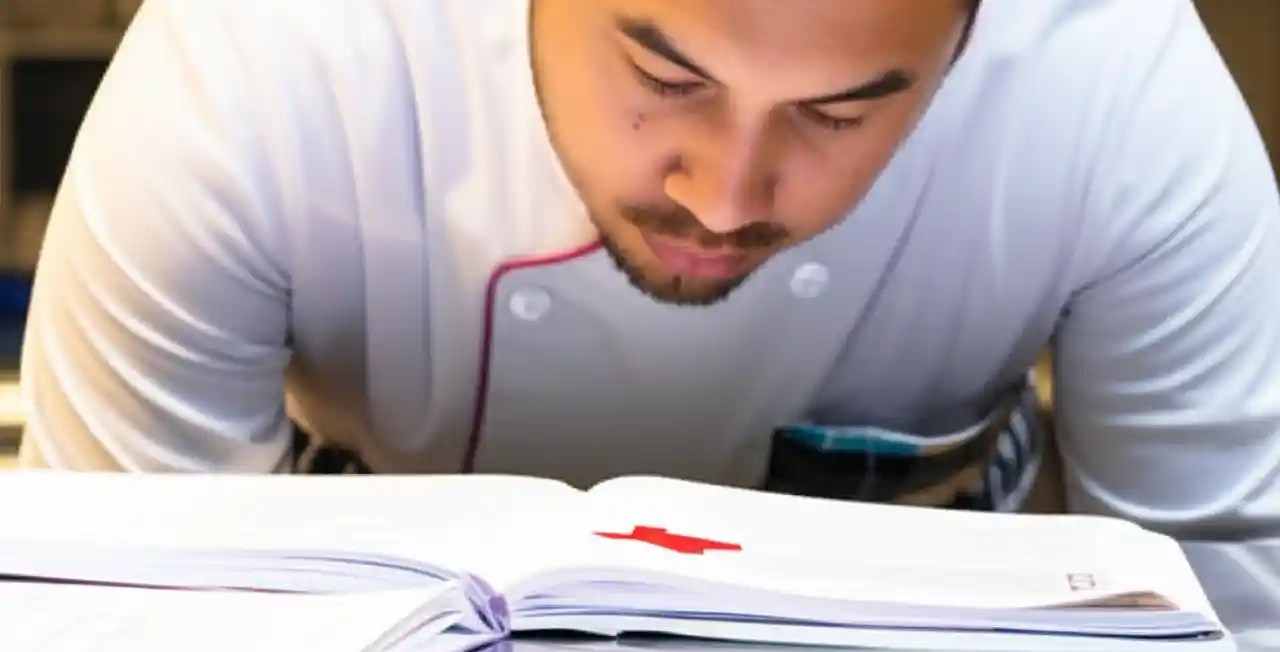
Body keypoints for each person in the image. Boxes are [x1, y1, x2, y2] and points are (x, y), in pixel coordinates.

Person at [16, 0, 1280, 540]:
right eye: (664, 78)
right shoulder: (264, 68)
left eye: (839, 114)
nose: (722, 196)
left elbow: (1233, 623)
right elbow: (120, 611)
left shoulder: (1120, 99)